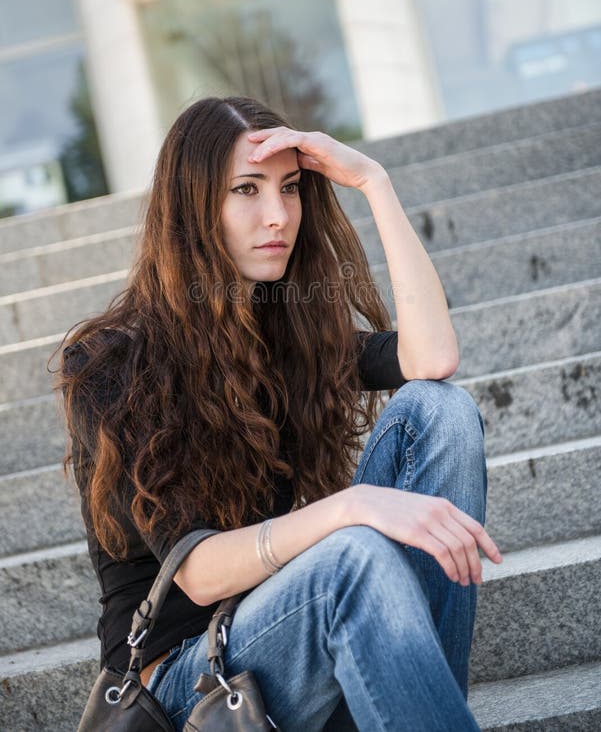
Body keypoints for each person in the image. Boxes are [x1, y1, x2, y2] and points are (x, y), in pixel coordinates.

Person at [53, 95, 502, 732]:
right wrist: (351, 508)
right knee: (352, 557)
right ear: (193, 209)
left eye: (290, 189)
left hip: (287, 637)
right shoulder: (111, 362)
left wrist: (376, 182)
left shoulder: (287, 332)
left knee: (441, 411)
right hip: (191, 686)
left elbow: (432, 357)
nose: (277, 217)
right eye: (247, 189)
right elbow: (201, 574)